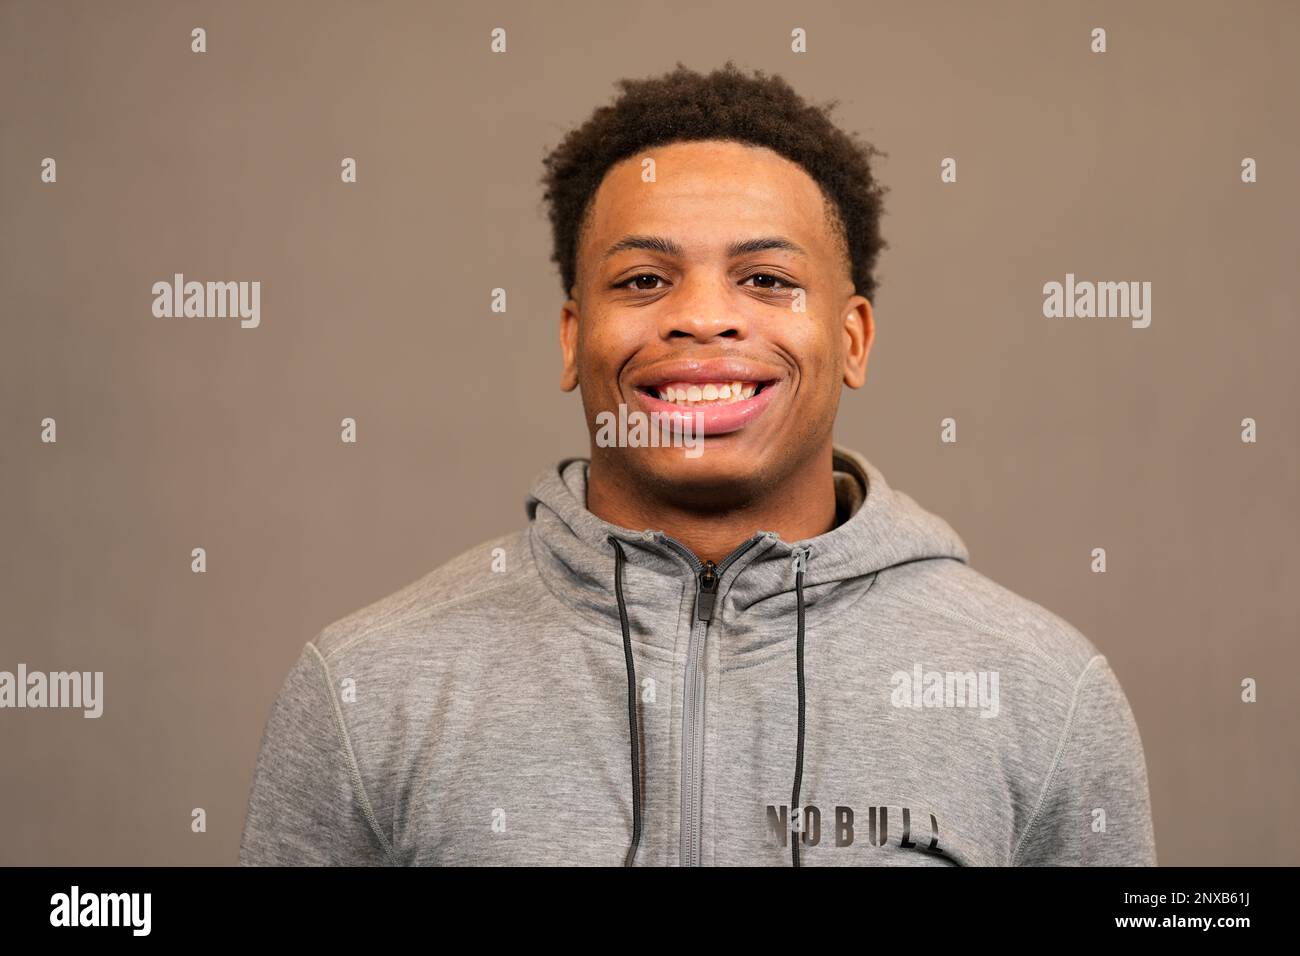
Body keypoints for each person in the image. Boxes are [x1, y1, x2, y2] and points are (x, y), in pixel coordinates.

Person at [238, 61, 1156, 867]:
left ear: (853, 339)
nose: (703, 319)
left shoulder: (1044, 691)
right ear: (571, 339)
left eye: (766, 279)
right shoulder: (369, 686)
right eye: (643, 280)